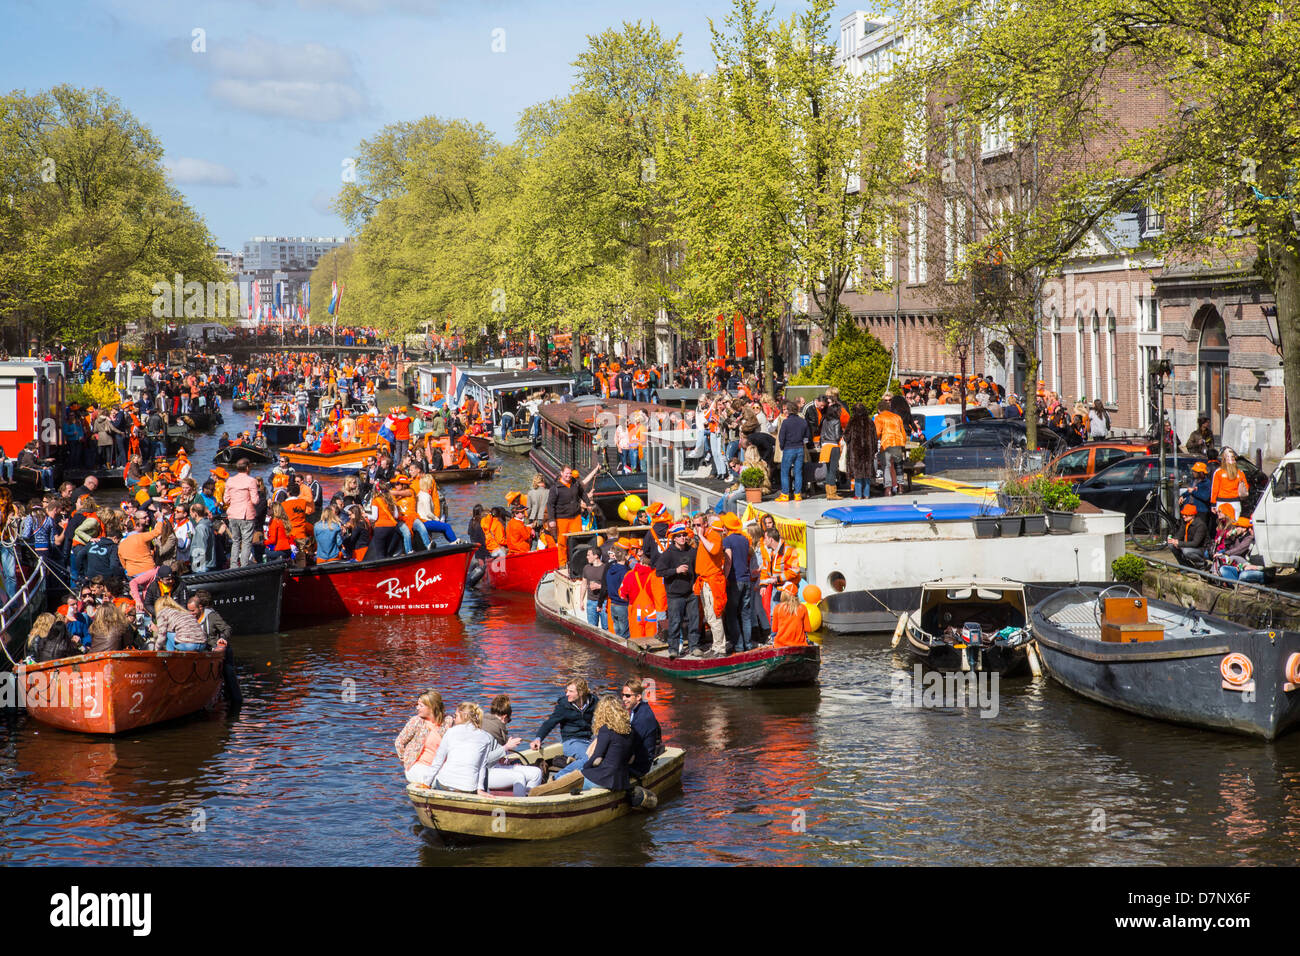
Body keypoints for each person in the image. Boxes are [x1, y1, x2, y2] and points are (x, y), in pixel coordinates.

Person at [425, 702, 520, 794]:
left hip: (445, 784)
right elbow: (482, 766)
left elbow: (438, 761)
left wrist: (425, 784)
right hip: (468, 788)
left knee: (436, 780)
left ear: (464, 716)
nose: (453, 719)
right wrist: (480, 790)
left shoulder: (451, 732)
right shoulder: (485, 737)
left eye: (456, 716)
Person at [531, 677, 596, 777]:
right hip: (571, 741)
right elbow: (549, 723)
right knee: (589, 758)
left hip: (589, 741)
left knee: (602, 756)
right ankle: (557, 778)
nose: (567, 694)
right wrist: (538, 738)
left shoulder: (593, 702)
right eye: (567, 691)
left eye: (571, 691)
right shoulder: (563, 706)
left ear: (581, 693)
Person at [482, 694, 544, 793]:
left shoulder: (495, 728)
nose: (507, 723)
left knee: (536, 773)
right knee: (519, 777)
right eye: (509, 720)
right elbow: (484, 760)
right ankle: (520, 804)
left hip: (496, 767)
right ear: (504, 717)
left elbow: (495, 754)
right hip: (485, 773)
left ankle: (528, 798)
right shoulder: (486, 731)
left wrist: (503, 758)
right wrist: (506, 747)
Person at [655, 523, 699, 659]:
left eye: (684, 535)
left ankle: (694, 647)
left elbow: (697, 570)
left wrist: (696, 584)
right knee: (675, 622)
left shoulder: (692, 551)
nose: (682, 538)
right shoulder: (668, 554)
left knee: (694, 620)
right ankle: (673, 649)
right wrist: (676, 570)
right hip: (674, 595)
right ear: (673, 538)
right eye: (679, 536)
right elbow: (659, 572)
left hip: (691, 592)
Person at [578, 696, 634, 792]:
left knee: (573, 779)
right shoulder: (630, 730)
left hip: (603, 779)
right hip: (621, 780)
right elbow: (630, 758)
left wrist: (584, 768)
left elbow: (596, 758)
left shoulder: (606, 730)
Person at [395, 691, 451, 786]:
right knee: (434, 782)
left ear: (431, 707)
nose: (417, 708)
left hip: (439, 767)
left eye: (421, 706)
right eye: (418, 705)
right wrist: (406, 759)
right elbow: (399, 742)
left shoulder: (447, 722)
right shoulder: (416, 721)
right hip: (419, 767)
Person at [695, 514, 729, 657]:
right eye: (694, 525)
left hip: (712, 582)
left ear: (705, 525)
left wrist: (701, 537)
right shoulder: (704, 536)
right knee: (709, 617)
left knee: (715, 616)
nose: (695, 528)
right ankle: (716, 646)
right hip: (704, 581)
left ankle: (720, 648)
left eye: (698, 525)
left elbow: (714, 550)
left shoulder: (713, 535)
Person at [622, 677, 663, 777]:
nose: (623, 699)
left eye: (627, 696)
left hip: (639, 766)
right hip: (637, 758)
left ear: (638, 697)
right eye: (623, 695)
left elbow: (632, 744)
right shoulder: (638, 709)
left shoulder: (643, 717)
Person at [223, 458, 259, 568]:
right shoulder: (251, 481)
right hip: (246, 515)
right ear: (248, 468)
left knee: (235, 541)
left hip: (233, 514)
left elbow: (226, 499)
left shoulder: (230, 480)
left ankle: (233, 565)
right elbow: (255, 501)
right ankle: (244, 566)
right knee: (247, 542)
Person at [776, 400, 810, 502]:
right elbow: (807, 436)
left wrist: (782, 447)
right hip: (800, 448)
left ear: (789, 411)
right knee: (798, 472)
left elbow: (781, 437)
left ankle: (785, 494)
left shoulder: (786, 422)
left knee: (785, 472)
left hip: (788, 448)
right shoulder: (803, 421)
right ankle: (797, 494)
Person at [844, 403, 879, 499]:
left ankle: (858, 495)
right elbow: (875, 438)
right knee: (867, 472)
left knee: (857, 473)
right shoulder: (870, 421)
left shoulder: (852, 421)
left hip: (855, 451)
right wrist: (874, 450)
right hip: (868, 450)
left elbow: (846, 436)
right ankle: (867, 494)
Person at [873, 399, 907, 496]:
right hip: (898, 443)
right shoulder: (897, 417)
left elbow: (877, 433)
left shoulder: (879, 418)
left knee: (886, 466)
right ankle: (900, 487)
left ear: (879, 410)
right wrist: (902, 444)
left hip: (887, 443)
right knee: (898, 465)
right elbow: (903, 433)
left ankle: (888, 489)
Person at [1210, 448, 1250, 522]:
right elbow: (1246, 488)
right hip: (1235, 502)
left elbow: (1214, 489)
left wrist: (1213, 504)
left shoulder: (1219, 472)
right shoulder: (1240, 473)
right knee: (1234, 523)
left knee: (1222, 524)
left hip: (1221, 502)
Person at [772, 582, 812, 647]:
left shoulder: (777, 608)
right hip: (800, 645)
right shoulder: (802, 608)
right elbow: (808, 629)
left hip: (781, 645)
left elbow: (774, 629)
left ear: (784, 594)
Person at [605, 544, 631, 640]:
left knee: (617, 633)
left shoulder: (610, 569)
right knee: (625, 634)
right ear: (625, 556)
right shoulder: (625, 572)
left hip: (613, 604)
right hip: (622, 605)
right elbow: (626, 589)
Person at [580, 546, 608, 629]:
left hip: (604, 602)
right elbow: (583, 584)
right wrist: (581, 600)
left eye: (589, 555)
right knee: (592, 628)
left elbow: (610, 585)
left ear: (596, 556)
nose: (587, 557)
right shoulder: (586, 568)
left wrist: (599, 586)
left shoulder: (605, 568)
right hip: (591, 602)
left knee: (606, 628)